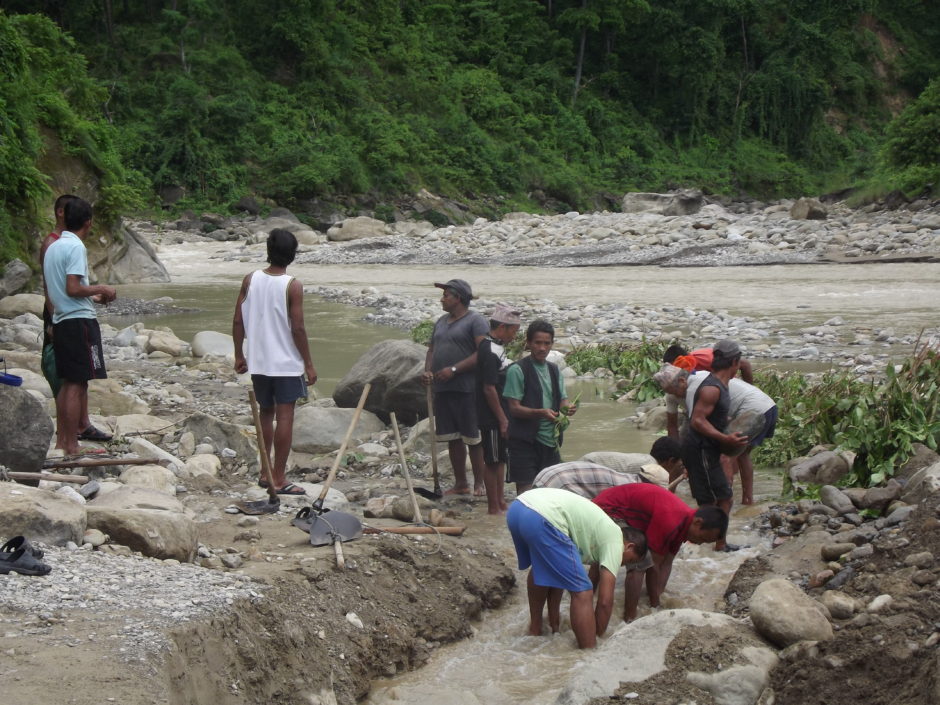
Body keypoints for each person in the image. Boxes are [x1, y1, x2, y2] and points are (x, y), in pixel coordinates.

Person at [506, 487, 646, 648]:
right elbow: (605, 602)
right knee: (583, 591)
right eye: (628, 561)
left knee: (542, 568)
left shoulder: (598, 531)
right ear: (629, 547)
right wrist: (597, 637)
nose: (622, 565)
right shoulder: (615, 540)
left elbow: (557, 576)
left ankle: (536, 629)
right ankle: (588, 652)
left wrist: (555, 621)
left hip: (518, 508)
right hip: (543, 517)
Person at [233, 229, 317, 495]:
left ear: (268, 251)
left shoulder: (250, 279)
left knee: (266, 415)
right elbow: (298, 328)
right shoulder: (292, 285)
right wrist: (309, 364)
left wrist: (239, 354)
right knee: (285, 417)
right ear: (292, 254)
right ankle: (279, 479)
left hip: (259, 362)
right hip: (285, 363)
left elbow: (238, 320)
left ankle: (264, 472)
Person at [42, 198, 117, 456]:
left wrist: (92, 296)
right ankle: (73, 446)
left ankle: (64, 441)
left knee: (68, 382)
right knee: (77, 383)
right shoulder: (75, 247)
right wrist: (101, 288)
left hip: (62, 319)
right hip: (78, 322)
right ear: (88, 222)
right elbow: (73, 287)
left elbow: (61, 289)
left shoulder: (53, 245)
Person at [593, 482, 728, 621]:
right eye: (702, 538)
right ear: (698, 522)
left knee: (606, 558)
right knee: (639, 562)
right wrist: (655, 604)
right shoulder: (671, 520)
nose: (699, 543)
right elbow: (652, 565)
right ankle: (629, 619)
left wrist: (657, 599)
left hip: (621, 513)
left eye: (705, 542)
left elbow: (666, 562)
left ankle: (591, 593)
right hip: (607, 510)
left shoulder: (683, 523)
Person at [654, 365, 776, 505]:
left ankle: (725, 500)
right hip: (757, 407)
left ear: (682, 381)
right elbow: (672, 427)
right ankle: (746, 501)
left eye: (674, 391)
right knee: (739, 454)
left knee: (725, 455)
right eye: (669, 392)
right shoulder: (673, 394)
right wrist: (679, 455)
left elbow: (703, 427)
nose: (674, 395)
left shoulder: (697, 387)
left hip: (755, 408)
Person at [679, 339, 749, 551]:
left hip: (707, 448)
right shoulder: (712, 388)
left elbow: (710, 417)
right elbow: (697, 420)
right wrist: (725, 439)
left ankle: (716, 542)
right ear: (734, 362)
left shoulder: (721, 384)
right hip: (700, 449)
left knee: (723, 497)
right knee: (711, 501)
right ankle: (696, 544)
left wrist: (725, 425)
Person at [422, 279, 489, 495]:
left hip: (467, 387)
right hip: (443, 388)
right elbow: (432, 350)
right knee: (452, 437)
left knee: (473, 437)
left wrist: (454, 370)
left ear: (458, 298)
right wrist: (428, 370)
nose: (442, 299)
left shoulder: (475, 321)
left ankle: (480, 483)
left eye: (446, 295)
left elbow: (483, 353)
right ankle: (461, 483)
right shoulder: (441, 321)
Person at [504, 319, 576, 494]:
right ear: (528, 343)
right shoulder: (517, 370)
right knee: (526, 490)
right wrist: (541, 413)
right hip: (524, 440)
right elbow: (514, 408)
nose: (542, 348)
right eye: (538, 343)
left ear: (552, 344)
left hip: (550, 441)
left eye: (547, 343)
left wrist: (568, 408)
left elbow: (562, 400)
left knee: (550, 491)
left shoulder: (554, 370)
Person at [476, 304, 521, 514]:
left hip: (500, 413)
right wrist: (502, 418)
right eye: (514, 331)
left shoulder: (497, 347)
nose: (515, 335)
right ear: (502, 327)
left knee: (501, 457)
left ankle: (501, 500)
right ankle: (493, 506)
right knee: (492, 460)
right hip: (491, 416)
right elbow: (488, 388)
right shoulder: (489, 349)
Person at [532, 437, 684, 498]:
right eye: (678, 464)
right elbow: (658, 495)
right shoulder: (649, 468)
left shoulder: (647, 460)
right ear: (670, 461)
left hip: (590, 464)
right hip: (590, 468)